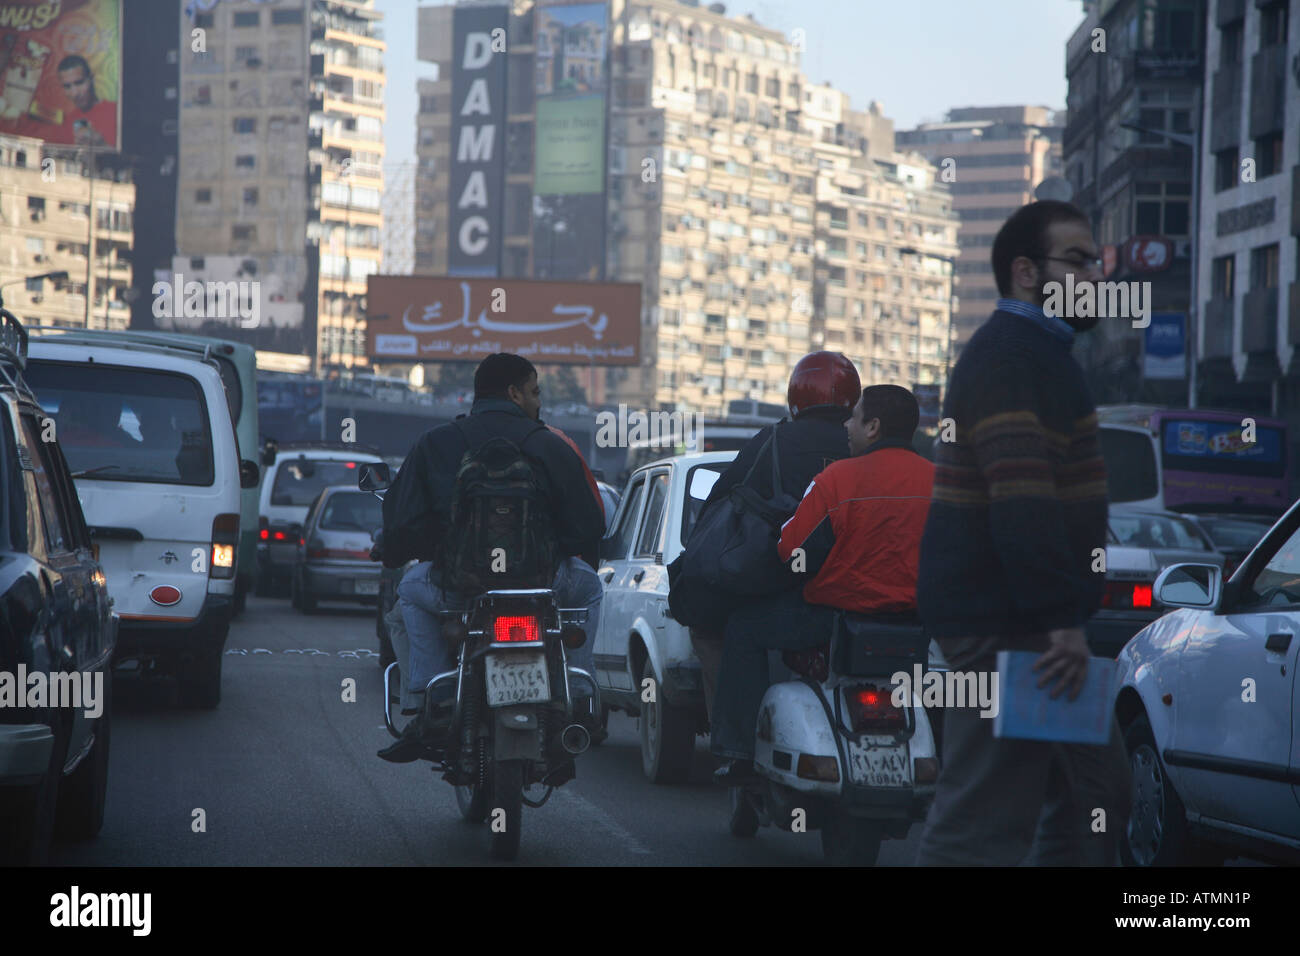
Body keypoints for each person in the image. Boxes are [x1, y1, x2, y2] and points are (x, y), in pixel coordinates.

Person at [913, 200, 1129, 866]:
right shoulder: (1012, 357)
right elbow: (1022, 500)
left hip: (1034, 627)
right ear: (1027, 272)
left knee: (1097, 795)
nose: (1097, 274)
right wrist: (1060, 621)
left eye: (1097, 260)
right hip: (1004, 627)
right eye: (1079, 260)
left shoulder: (1045, 355)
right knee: (982, 822)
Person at [376, 353, 605, 763]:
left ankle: (429, 699)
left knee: (409, 592)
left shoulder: (436, 443)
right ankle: (580, 693)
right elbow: (590, 527)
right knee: (590, 586)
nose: (539, 402)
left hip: (459, 590)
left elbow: (402, 522)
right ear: (514, 393)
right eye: (535, 392)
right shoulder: (552, 445)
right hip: (542, 588)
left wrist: (399, 550)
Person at [709, 386, 934, 781]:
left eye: (855, 417)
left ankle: (739, 752)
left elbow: (790, 549)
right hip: (916, 630)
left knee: (743, 629)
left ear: (874, 426)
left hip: (832, 623)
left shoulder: (836, 479)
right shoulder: (941, 483)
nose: (847, 425)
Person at [667, 351, 859, 767]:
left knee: (731, 630)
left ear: (796, 396)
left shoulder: (773, 440)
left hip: (787, 591)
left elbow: (721, 504)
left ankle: (736, 748)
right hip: (870, 607)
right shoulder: (864, 449)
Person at [55, 55, 117, 148]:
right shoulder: (67, 122)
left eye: (79, 83)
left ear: (91, 79)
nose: (75, 93)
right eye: (67, 86)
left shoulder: (116, 112)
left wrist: (102, 145)